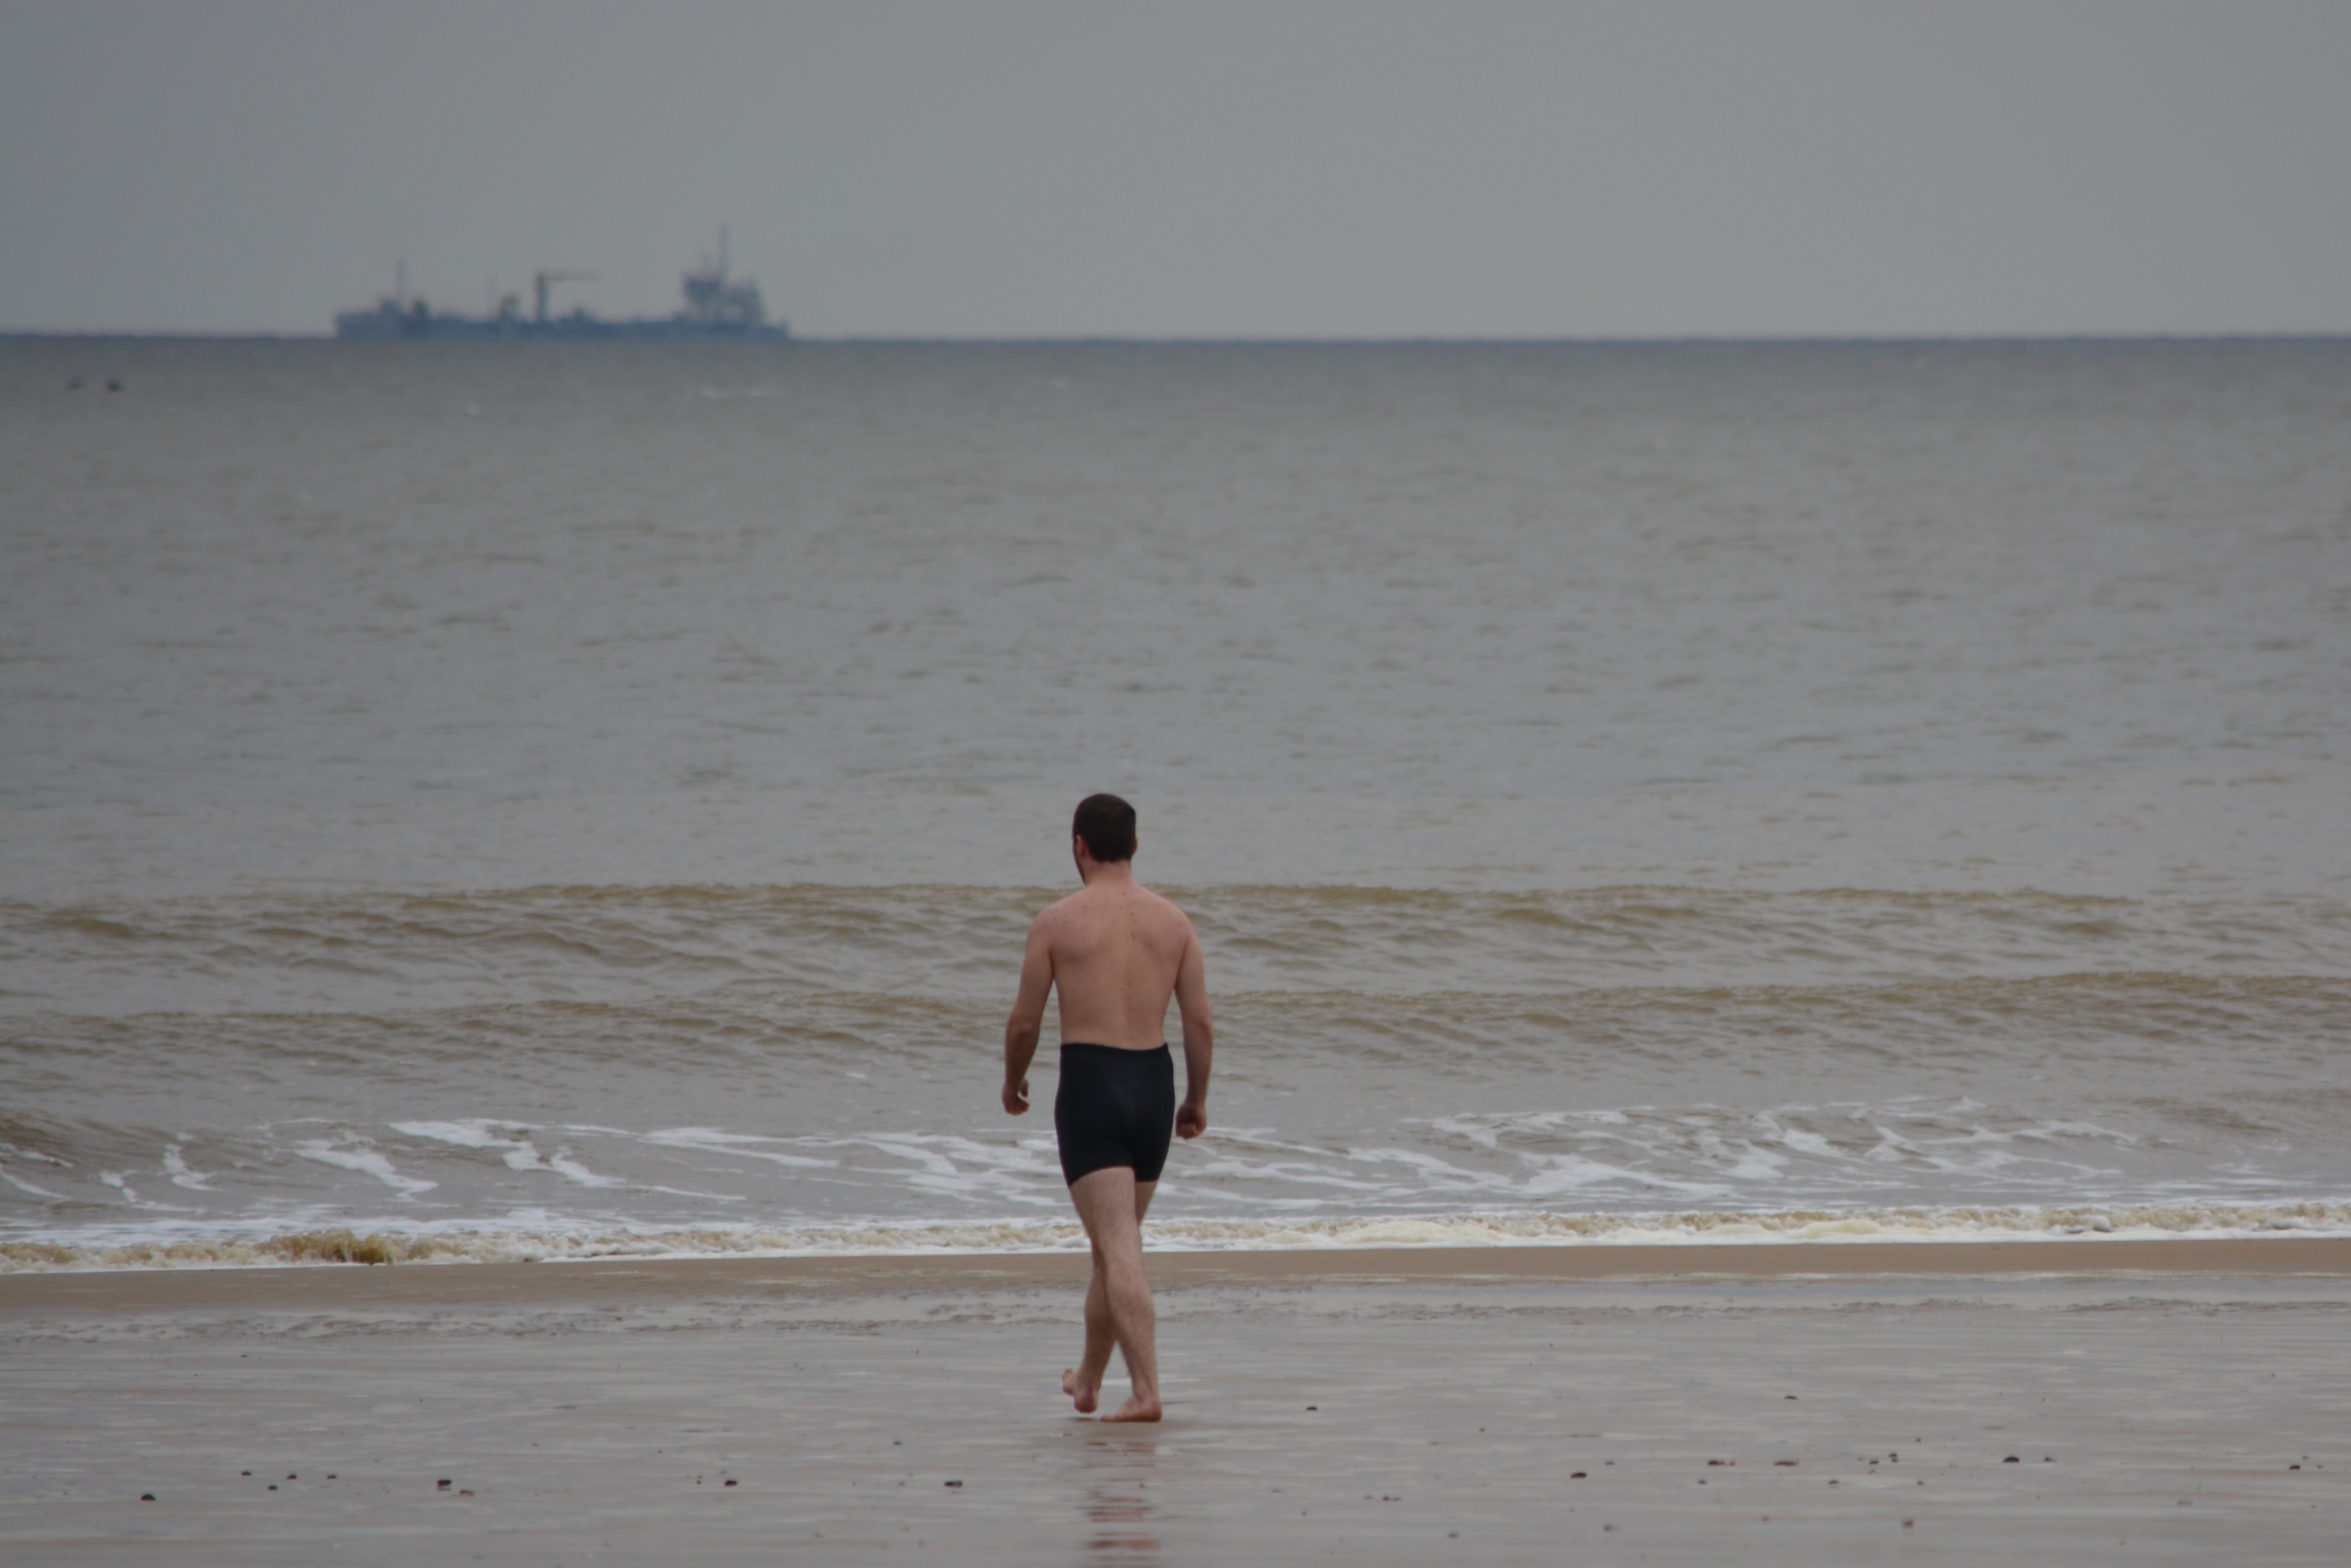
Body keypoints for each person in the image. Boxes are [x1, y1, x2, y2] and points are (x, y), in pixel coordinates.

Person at [1002, 793, 1213, 1422]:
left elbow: (1024, 1022)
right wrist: (1196, 1098)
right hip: (1152, 1085)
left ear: (1079, 846)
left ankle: (1146, 1391)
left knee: (1118, 1247)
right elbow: (1199, 1023)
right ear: (1136, 846)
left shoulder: (1056, 923)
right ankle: (1089, 1382)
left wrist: (1013, 1080)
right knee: (1113, 1244)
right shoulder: (1175, 923)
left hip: (1092, 1086)